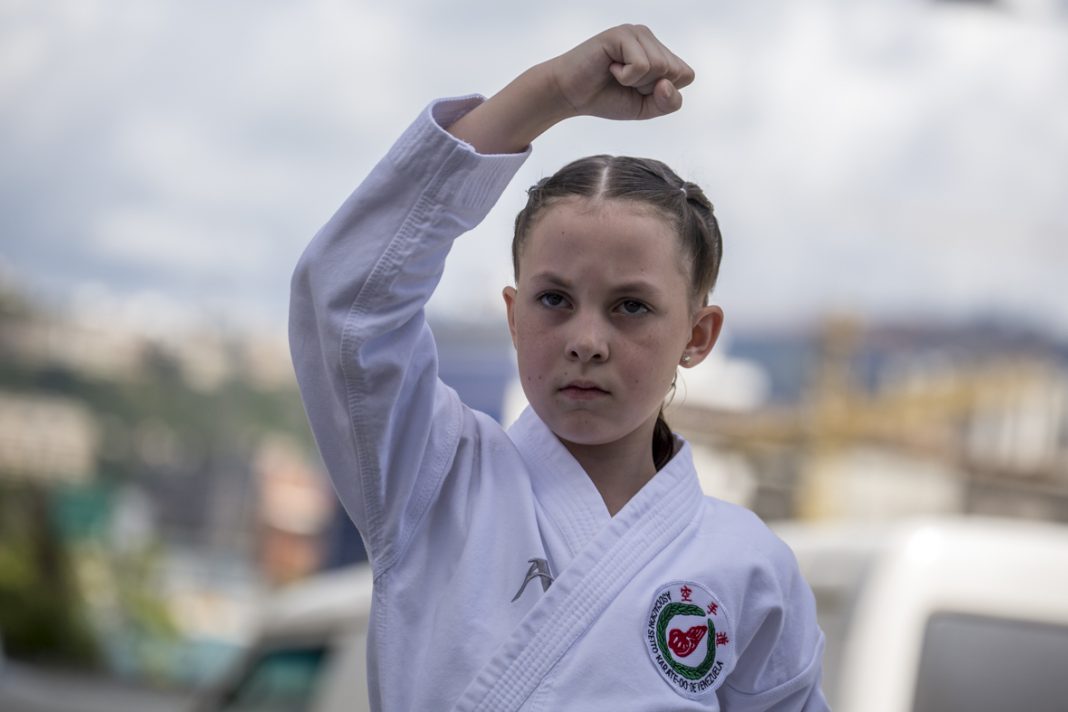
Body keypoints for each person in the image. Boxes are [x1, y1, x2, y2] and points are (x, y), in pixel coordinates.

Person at [290, 24, 828, 711]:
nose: (586, 341)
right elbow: (347, 299)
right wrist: (550, 93)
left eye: (631, 307)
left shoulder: (751, 568)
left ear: (698, 336)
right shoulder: (434, 477)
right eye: (554, 300)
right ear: (514, 317)